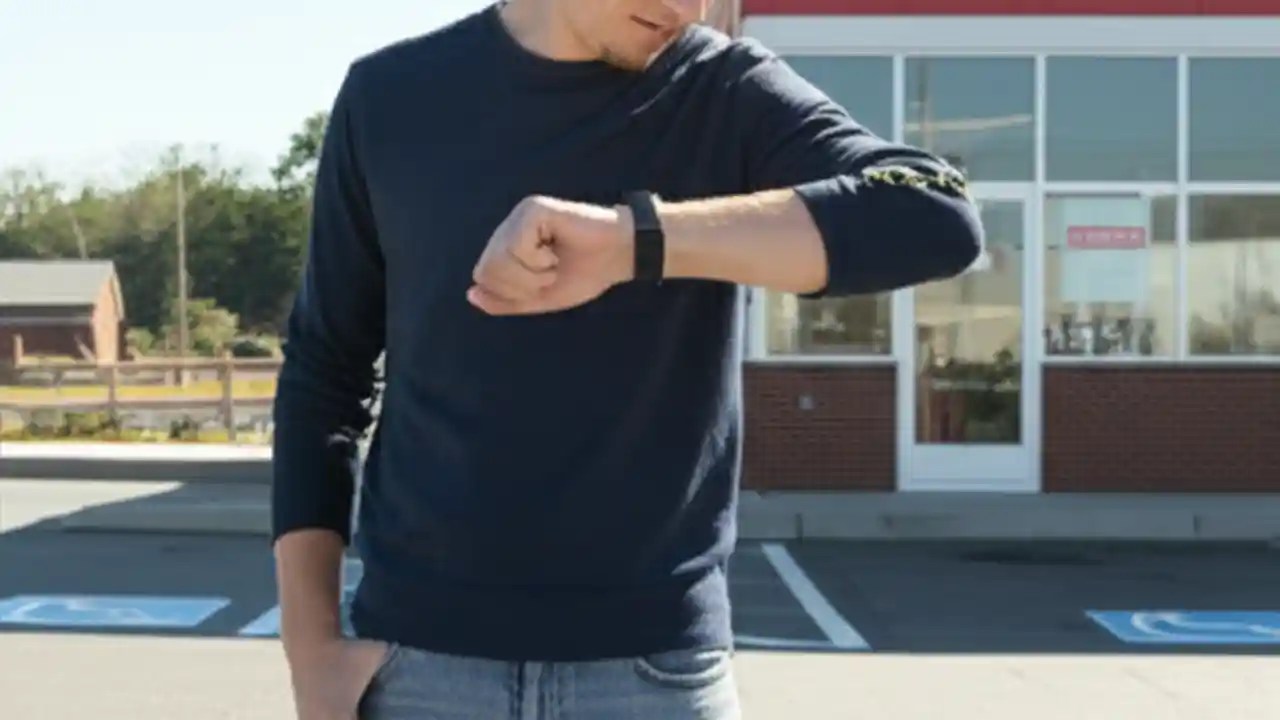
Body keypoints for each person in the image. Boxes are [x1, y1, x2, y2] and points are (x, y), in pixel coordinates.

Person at [270, 1, 983, 718]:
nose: (685, 7)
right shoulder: (391, 97)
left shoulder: (724, 88)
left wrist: (634, 240)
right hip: (420, 671)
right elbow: (324, 375)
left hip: (655, 678)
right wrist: (311, 653)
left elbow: (937, 213)